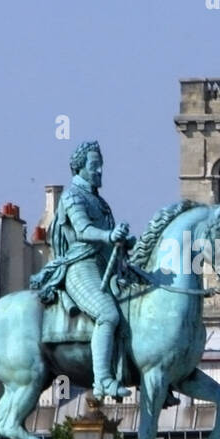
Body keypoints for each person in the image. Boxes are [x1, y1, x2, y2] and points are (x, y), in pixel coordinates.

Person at [28, 140, 135, 400]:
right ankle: (103, 381)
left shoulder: (99, 201)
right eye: (94, 166)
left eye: (101, 166)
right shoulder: (73, 196)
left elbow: (106, 239)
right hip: (79, 266)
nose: (100, 171)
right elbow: (84, 231)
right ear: (79, 168)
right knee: (108, 315)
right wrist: (110, 236)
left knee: (137, 307)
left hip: (106, 265)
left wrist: (122, 242)